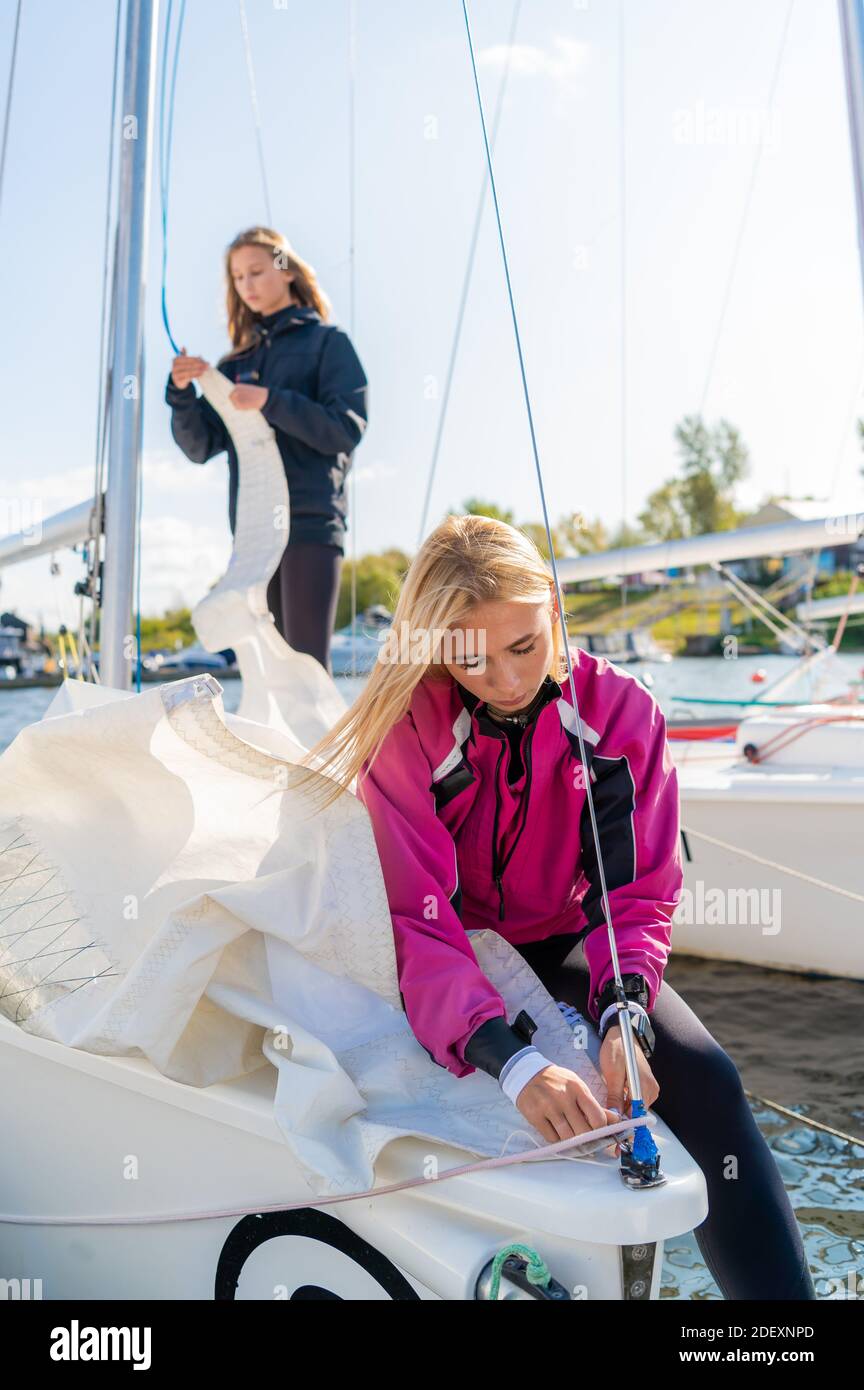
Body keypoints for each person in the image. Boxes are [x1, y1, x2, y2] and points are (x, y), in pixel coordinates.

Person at [289, 513, 816, 1301]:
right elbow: (416, 918)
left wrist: (622, 1015)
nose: (502, 679)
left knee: (706, 1078)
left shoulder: (621, 713)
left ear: (555, 611)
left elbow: (633, 894)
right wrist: (515, 1063)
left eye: (524, 647)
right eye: (470, 657)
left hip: (562, 941)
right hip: (450, 956)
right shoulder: (407, 725)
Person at [165, 226, 368, 675]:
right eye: (238, 278)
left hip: (311, 524)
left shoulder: (328, 344)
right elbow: (200, 446)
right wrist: (181, 393)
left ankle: (319, 748)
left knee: (306, 665)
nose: (247, 285)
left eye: (256, 271)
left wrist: (270, 401)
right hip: (255, 536)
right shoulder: (234, 364)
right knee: (264, 670)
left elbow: (344, 429)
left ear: (287, 271)